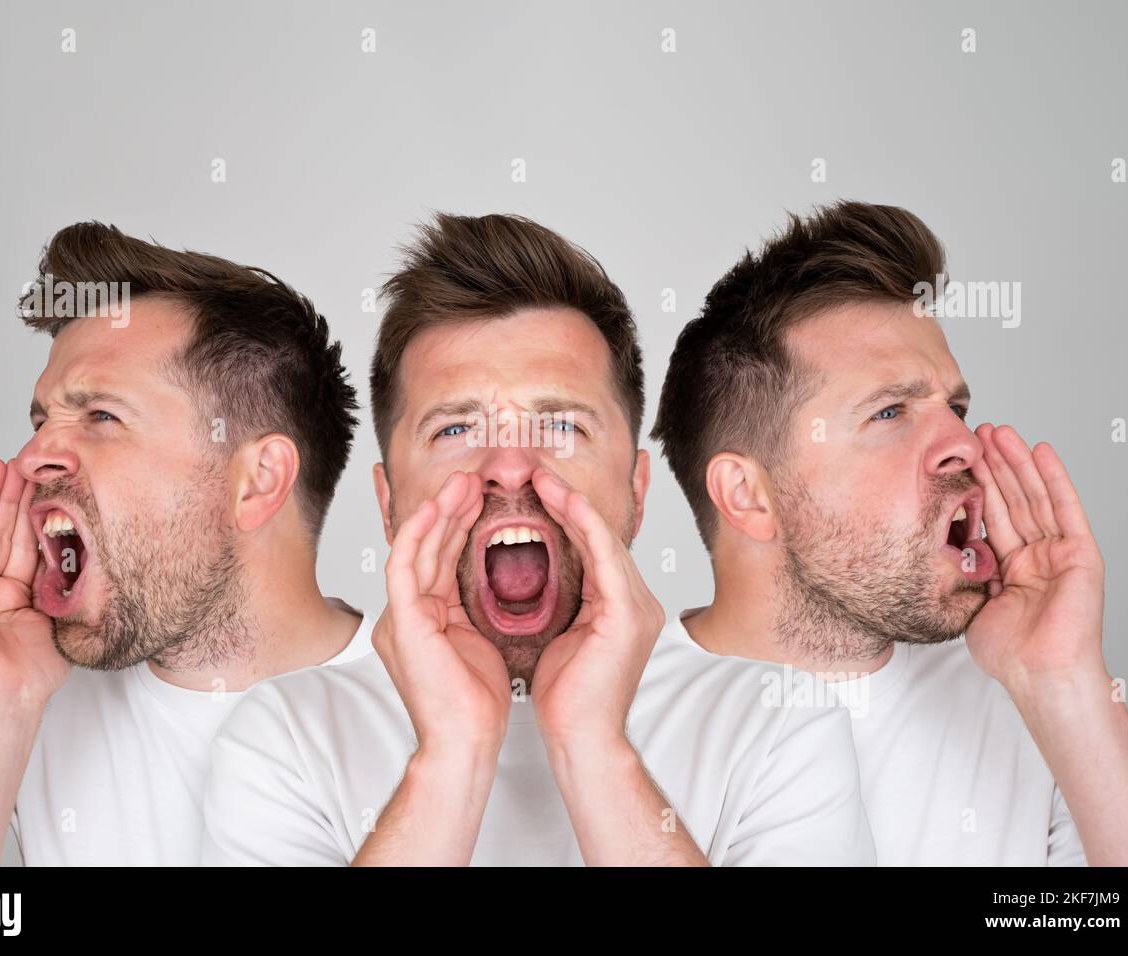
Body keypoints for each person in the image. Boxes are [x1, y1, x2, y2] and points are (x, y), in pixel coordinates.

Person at [202, 212, 875, 866]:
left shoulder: (780, 730)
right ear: (390, 506)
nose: (509, 467)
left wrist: (591, 745)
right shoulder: (284, 739)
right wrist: (453, 756)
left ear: (636, 492)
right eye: (456, 430)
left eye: (561, 427)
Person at [651, 200, 1128, 865]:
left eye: (954, 408)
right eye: (890, 411)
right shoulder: (603, 726)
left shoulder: (1024, 696)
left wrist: (1066, 680)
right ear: (749, 496)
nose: (963, 444)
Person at [0, 223, 369, 865]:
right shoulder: (38, 706)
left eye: (101, 417)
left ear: (257, 481)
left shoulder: (442, 724)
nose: (33, 458)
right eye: (40, 422)